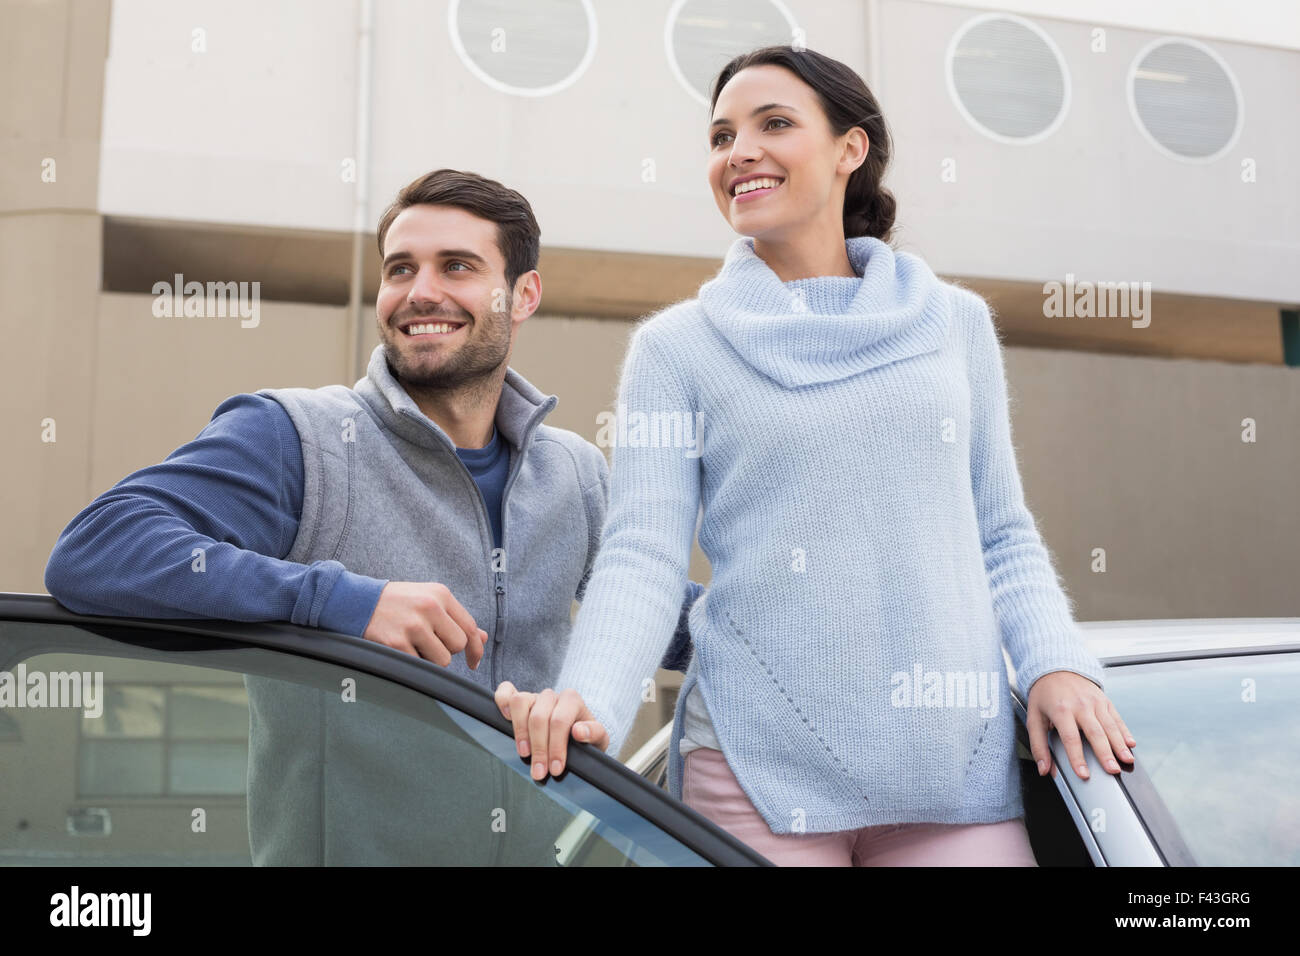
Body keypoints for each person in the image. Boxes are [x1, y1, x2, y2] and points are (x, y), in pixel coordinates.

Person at [495, 46, 1137, 866]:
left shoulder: (956, 325)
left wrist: (1055, 663)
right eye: (722, 136)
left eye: (774, 125)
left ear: (849, 149)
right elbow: (643, 557)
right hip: (754, 771)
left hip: (952, 773)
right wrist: (589, 703)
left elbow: (999, 530)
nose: (739, 153)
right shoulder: (677, 349)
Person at [44, 168, 698, 864]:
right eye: (400, 269)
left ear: (524, 294)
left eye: (458, 267)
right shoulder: (296, 437)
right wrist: (342, 602)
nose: (421, 292)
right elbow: (96, 549)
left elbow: (660, 616)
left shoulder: (573, 472)